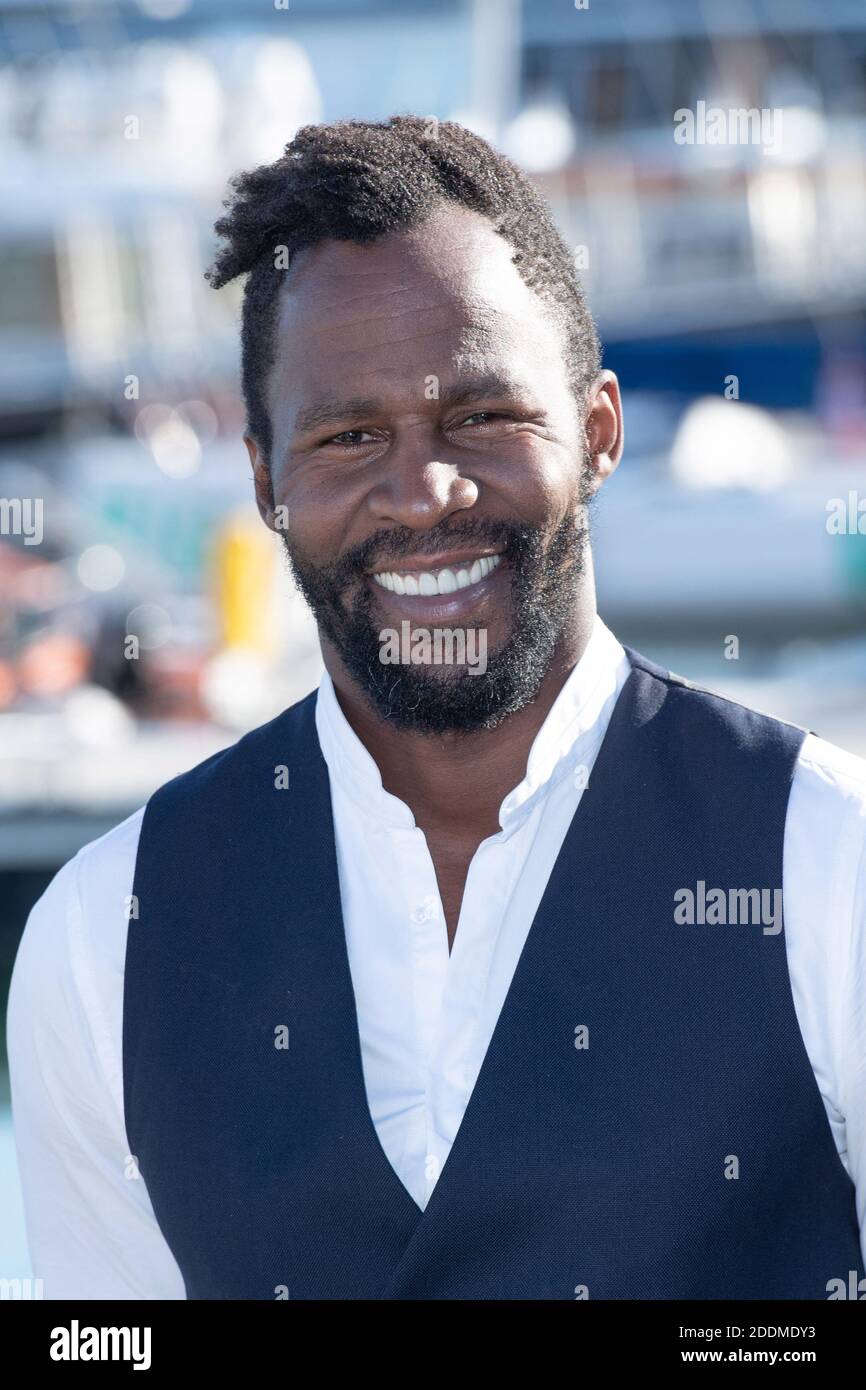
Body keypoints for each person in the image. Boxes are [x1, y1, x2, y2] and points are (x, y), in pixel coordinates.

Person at [8, 117, 866, 1300]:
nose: (422, 492)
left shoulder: (826, 857)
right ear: (263, 478)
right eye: (348, 435)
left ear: (597, 432)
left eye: (480, 416)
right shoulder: (105, 936)